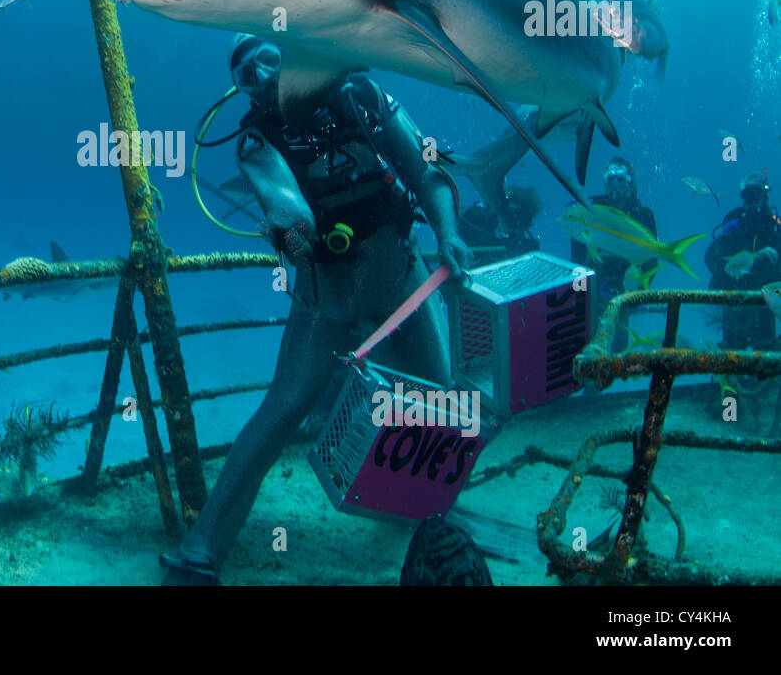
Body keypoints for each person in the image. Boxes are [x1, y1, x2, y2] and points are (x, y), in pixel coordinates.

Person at [162, 35, 472, 584]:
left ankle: (433, 521)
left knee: (439, 399)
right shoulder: (257, 139)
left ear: (291, 53)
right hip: (324, 291)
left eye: (268, 59)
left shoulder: (360, 94)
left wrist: (448, 231)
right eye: (247, 75)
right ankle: (199, 551)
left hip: (403, 272)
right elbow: (287, 209)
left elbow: (427, 163)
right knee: (282, 409)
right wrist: (292, 236)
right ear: (242, 91)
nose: (263, 75)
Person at [569, 156, 657, 350]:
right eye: (611, 179)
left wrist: (639, 293)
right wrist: (580, 296)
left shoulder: (643, 216)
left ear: (631, 184)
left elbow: (651, 260)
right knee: (586, 347)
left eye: (622, 179)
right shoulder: (590, 213)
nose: (615, 184)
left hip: (626, 289)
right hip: (592, 293)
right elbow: (576, 262)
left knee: (616, 348)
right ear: (605, 182)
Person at [705, 172, 781, 350]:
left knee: (766, 359)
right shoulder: (732, 228)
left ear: (765, 196)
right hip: (736, 307)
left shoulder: (776, 229)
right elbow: (714, 267)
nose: (751, 200)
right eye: (746, 195)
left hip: (765, 307)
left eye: (756, 193)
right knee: (731, 360)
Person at [457, 185, 543, 264]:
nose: (518, 227)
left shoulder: (516, 236)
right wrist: (507, 247)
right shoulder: (477, 217)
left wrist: (524, 251)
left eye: (525, 222)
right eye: (519, 218)